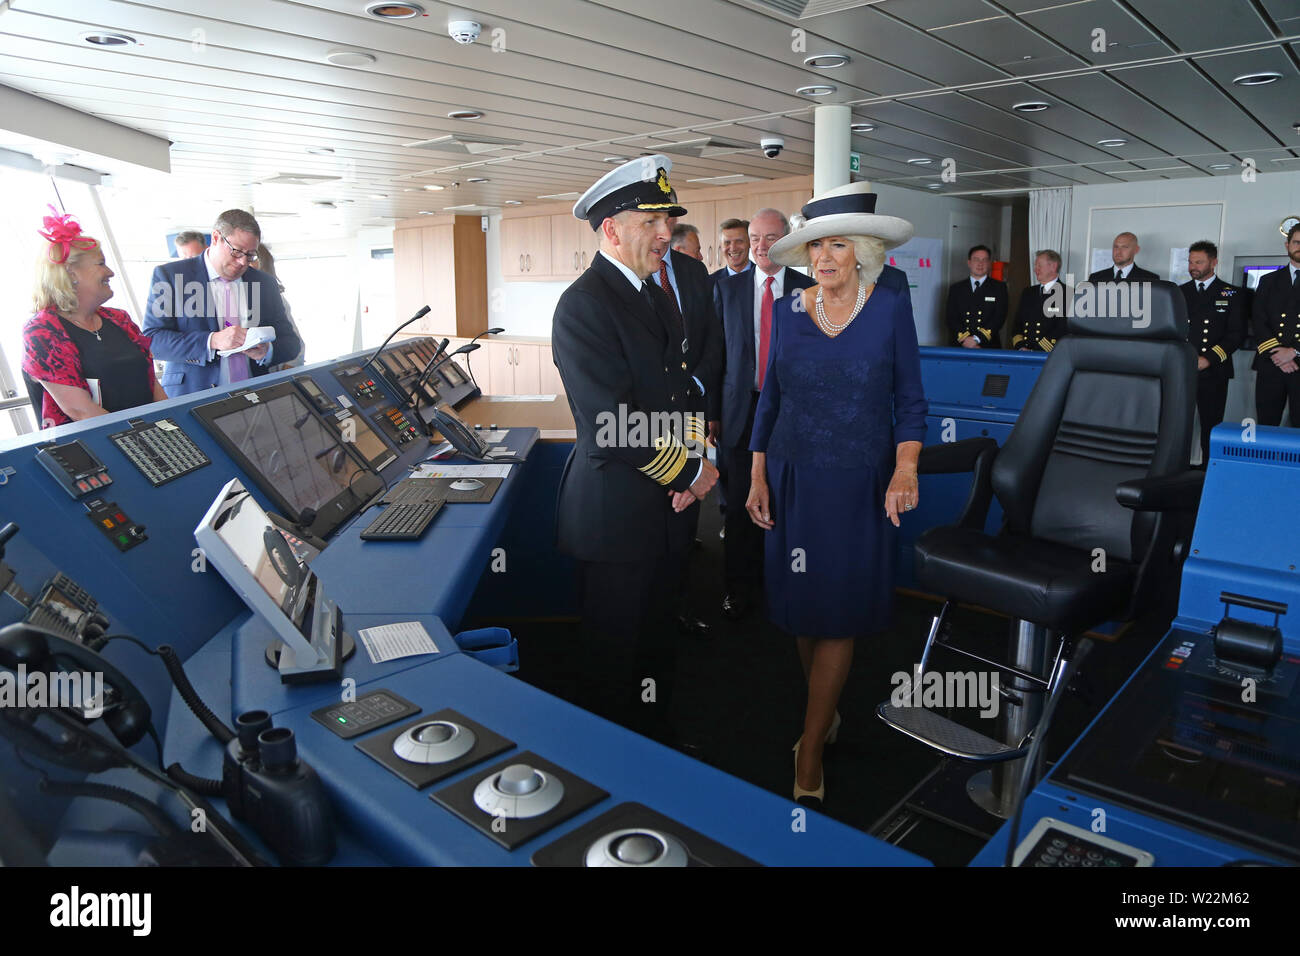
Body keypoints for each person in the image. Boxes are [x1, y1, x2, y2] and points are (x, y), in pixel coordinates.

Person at [746, 181, 927, 806]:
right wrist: (757, 473)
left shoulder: (890, 307)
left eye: (839, 245)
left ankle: (811, 748)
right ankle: (823, 716)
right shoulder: (788, 310)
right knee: (805, 610)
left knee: (838, 613)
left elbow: (911, 400)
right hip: (793, 477)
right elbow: (770, 397)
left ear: (864, 253)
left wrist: (906, 468)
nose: (824, 257)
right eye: (817, 246)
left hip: (857, 484)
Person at [552, 155, 719, 744]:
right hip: (617, 513)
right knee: (614, 657)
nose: (665, 232)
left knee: (656, 642)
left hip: (667, 507)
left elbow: (684, 390)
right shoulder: (584, 305)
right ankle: (608, 768)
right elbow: (610, 422)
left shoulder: (655, 295)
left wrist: (694, 463)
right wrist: (689, 472)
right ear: (611, 229)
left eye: (666, 220)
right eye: (650, 221)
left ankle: (653, 744)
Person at [713, 208, 815, 620]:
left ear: (786, 240)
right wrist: (712, 413)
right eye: (754, 238)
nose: (759, 246)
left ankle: (787, 583)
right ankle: (739, 589)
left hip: (791, 411)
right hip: (741, 410)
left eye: (769, 238)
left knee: (788, 499)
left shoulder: (809, 290)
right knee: (740, 503)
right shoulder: (727, 289)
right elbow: (716, 355)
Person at [23, 208, 168, 428]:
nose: (110, 272)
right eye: (101, 264)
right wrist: (137, 438)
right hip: (96, 442)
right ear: (71, 272)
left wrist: (171, 426)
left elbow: (153, 385)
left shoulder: (119, 319)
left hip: (150, 434)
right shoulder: (43, 330)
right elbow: (80, 411)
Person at [143, 209, 301, 397]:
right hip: (193, 395)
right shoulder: (170, 276)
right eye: (236, 252)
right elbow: (153, 340)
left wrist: (267, 351)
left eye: (250, 255)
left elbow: (291, 343)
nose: (242, 262)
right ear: (216, 238)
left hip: (256, 396)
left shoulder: (264, 283)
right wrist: (212, 341)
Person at [659, 218, 724, 638]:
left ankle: (681, 606)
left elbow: (713, 339)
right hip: (650, 418)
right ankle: (656, 608)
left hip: (693, 411)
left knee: (688, 507)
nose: (661, 227)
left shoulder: (694, 273)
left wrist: (696, 384)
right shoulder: (636, 276)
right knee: (658, 505)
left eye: (666, 217)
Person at [1180, 240, 1243, 462]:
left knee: (1211, 425)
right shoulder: (1179, 292)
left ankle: (1208, 470)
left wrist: (1208, 358)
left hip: (1214, 370)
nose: (1193, 267)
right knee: (1177, 424)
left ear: (1214, 262)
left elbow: (1236, 335)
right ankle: (1175, 470)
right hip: (1182, 368)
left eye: (1199, 262)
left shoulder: (1231, 293)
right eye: (1190, 262)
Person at [1251, 224, 1300, 427]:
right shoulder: (1268, 281)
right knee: (1266, 424)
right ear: (1287, 245)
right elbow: (1258, 320)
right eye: (1296, 242)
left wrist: (1294, 351)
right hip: (1271, 363)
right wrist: (1279, 355)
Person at [254, 244, 307, 372]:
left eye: (252, 258)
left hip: (274, 368)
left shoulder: (275, 298)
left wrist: (285, 374)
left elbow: (296, 344)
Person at [945, 245, 1007, 348]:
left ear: (989, 263)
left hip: (987, 346)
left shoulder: (999, 288)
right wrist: (966, 340)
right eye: (976, 259)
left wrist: (977, 339)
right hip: (960, 345)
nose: (980, 263)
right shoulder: (956, 289)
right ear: (969, 263)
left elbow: (998, 318)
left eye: (984, 260)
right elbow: (951, 318)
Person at [1009, 249, 1069, 352]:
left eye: (1039, 265)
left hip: (1049, 354)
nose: (1035, 269)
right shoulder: (1028, 292)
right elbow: (1017, 325)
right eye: (1035, 265)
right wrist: (1020, 346)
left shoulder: (1067, 293)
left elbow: (1062, 328)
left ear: (1053, 266)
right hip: (1023, 352)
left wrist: (1035, 351)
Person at [1088, 232, 1160, 282]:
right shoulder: (1095, 278)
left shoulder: (1150, 279)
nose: (1118, 251)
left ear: (1136, 250)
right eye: (1116, 247)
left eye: (1124, 247)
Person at [710, 218, 752, 286]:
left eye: (739, 241)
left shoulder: (765, 277)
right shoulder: (710, 282)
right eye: (727, 242)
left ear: (750, 243)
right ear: (721, 246)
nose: (733, 248)